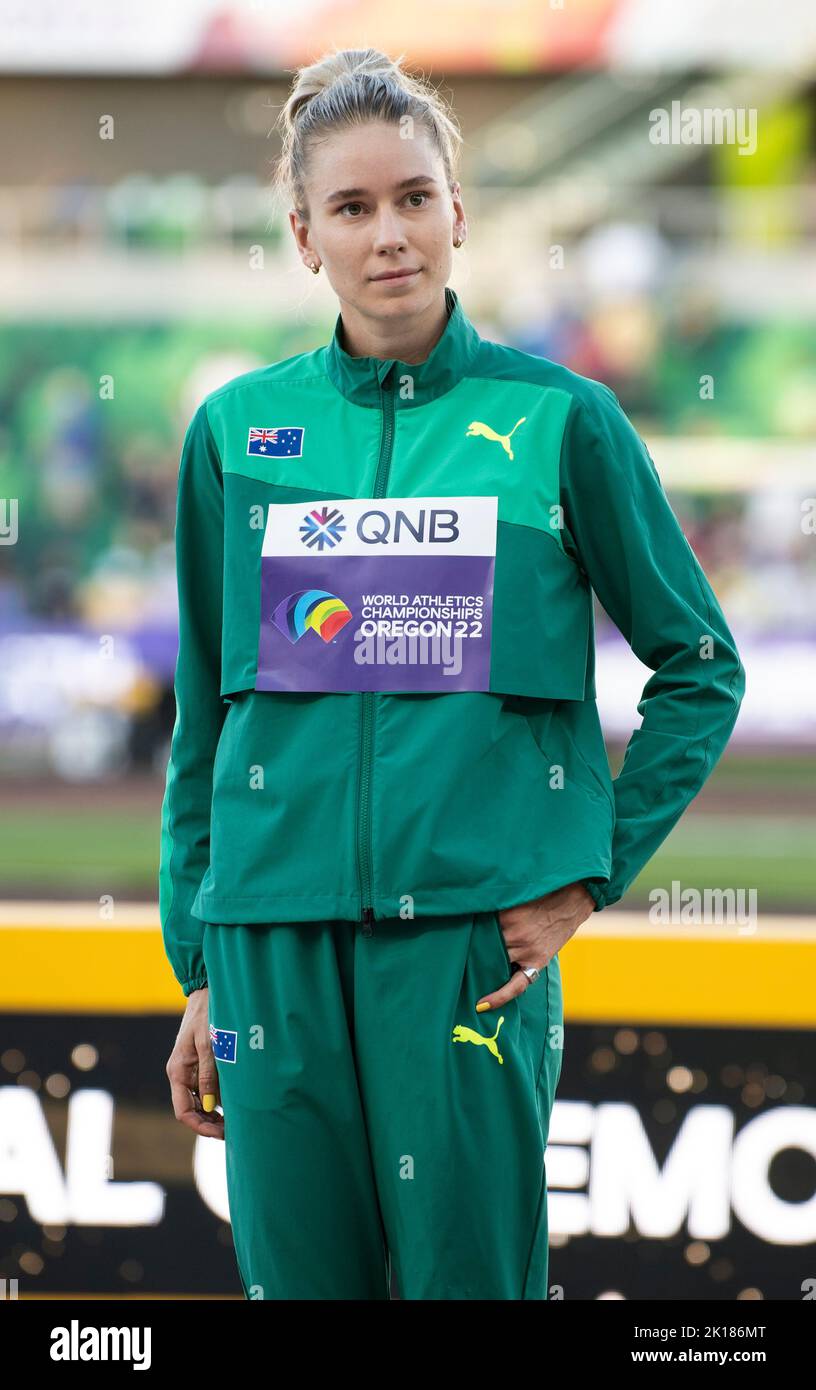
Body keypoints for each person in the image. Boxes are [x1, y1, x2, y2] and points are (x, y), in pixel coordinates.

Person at [159, 48, 745, 1301]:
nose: (390, 235)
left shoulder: (563, 419)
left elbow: (701, 667)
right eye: (353, 208)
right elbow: (204, 721)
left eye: (415, 198)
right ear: (303, 234)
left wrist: (589, 873)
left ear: (459, 215)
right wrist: (199, 962)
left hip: (466, 958)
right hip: (268, 956)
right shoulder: (237, 433)